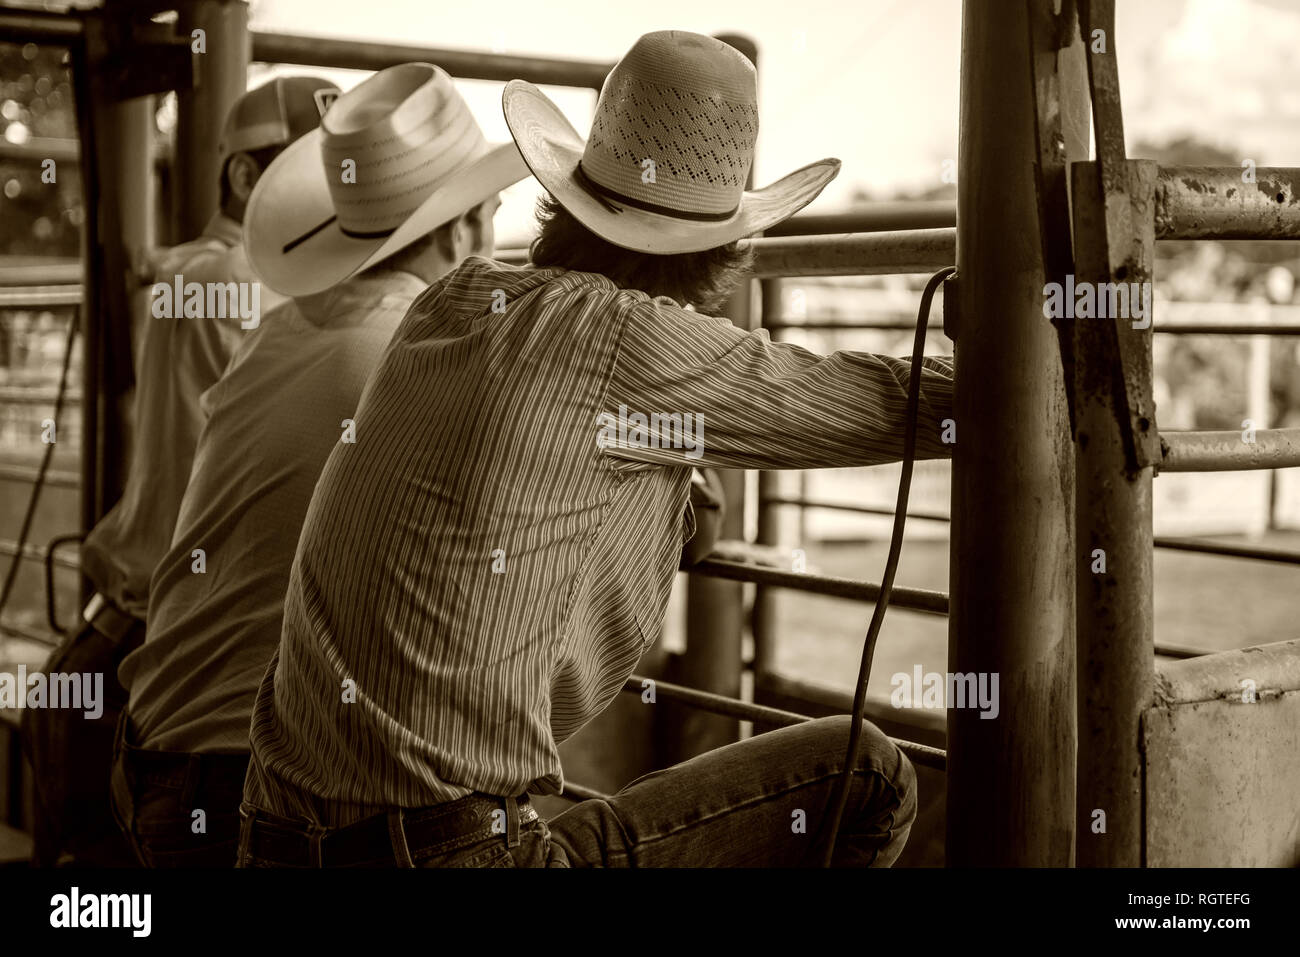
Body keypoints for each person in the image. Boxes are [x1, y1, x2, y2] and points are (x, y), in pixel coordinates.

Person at [238, 31, 954, 868]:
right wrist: (1028, 349)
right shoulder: (622, 339)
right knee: (866, 770)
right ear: (727, 250)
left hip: (270, 839)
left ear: (568, 196)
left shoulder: (449, 301)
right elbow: (888, 405)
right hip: (454, 857)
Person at [108, 63, 529, 867]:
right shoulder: (427, 352)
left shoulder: (279, 329)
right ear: (459, 230)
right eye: (493, 215)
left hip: (155, 747)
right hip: (252, 789)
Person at [20, 74, 340, 867]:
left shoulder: (203, 277)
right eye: (318, 169)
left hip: (121, 639)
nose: (344, 196)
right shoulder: (239, 283)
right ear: (243, 176)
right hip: (165, 650)